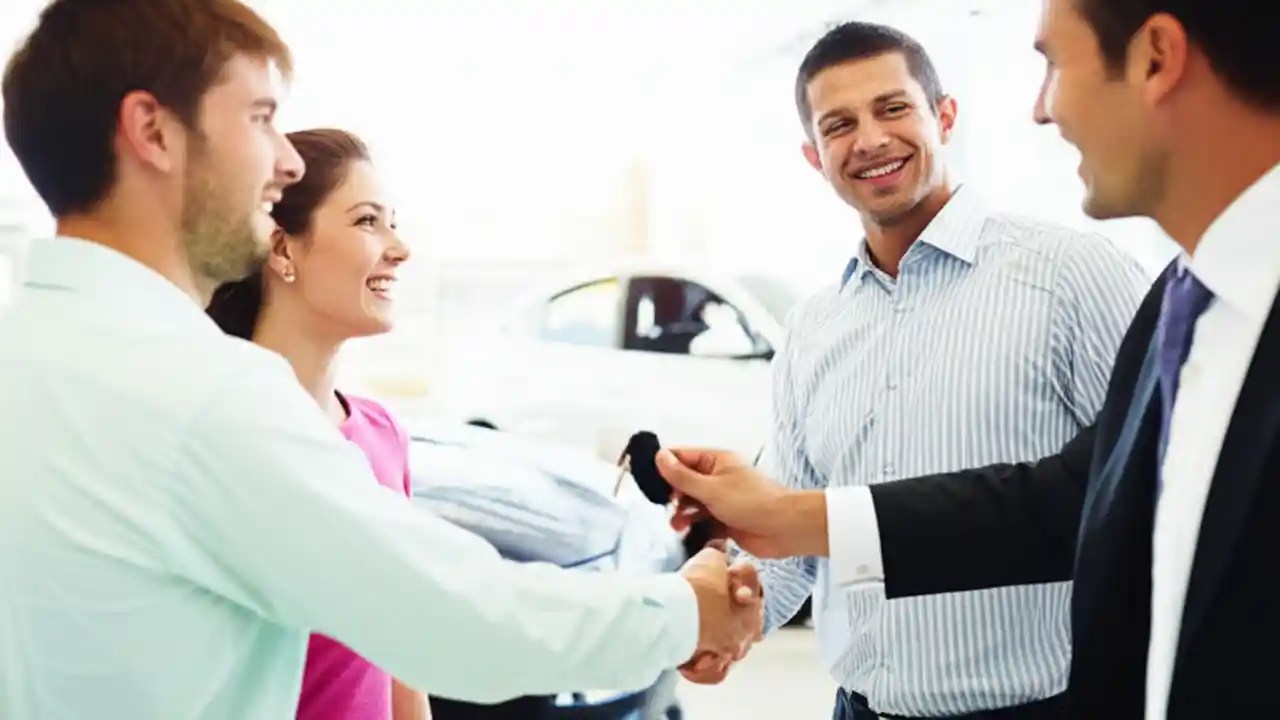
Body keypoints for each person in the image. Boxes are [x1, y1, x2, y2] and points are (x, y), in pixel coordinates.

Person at [0, 1, 763, 718]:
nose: (287, 163)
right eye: (261, 117)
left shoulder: (26, 359)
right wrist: (687, 608)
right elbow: (456, 618)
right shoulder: (204, 392)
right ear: (153, 132)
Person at [659, 0, 1280, 717]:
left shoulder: (1072, 274)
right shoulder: (810, 328)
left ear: (944, 117)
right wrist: (720, 606)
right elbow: (798, 541)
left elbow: (1091, 507)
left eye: (892, 108)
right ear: (813, 155)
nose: (869, 140)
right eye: (838, 124)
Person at [205, 128, 426, 719]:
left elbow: (404, 658)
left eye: (392, 222)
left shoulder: (383, 435)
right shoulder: (220, 440)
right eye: (367, 222)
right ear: (282, 250)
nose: (399, 248)